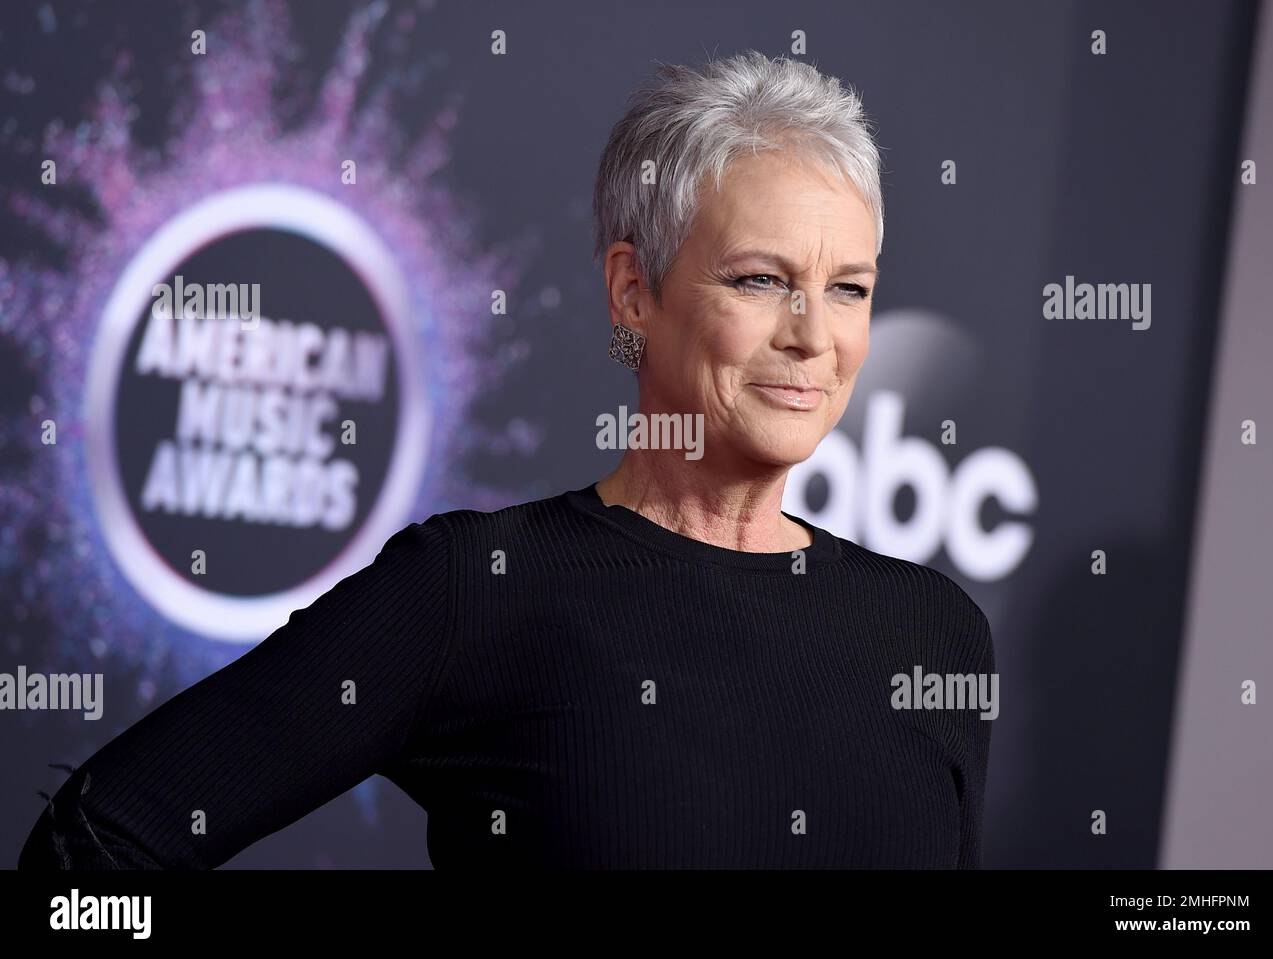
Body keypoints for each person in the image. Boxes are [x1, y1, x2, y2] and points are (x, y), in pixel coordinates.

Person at [19, 49, 994, 870]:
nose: (811, 334)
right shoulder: (477, 591)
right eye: (758, 279)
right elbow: (97, 845)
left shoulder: (933, 634)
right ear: (631, 292)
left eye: (849, 288)